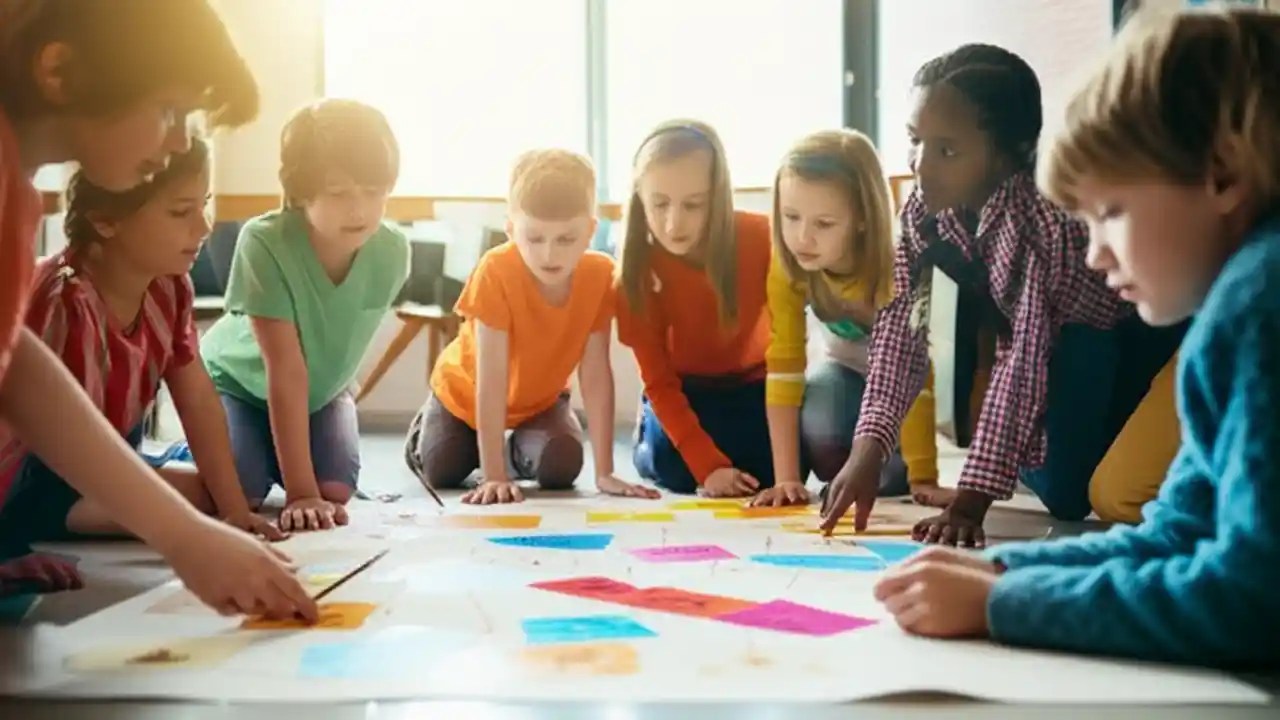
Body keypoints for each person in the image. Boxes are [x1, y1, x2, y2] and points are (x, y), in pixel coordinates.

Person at [874, 8, 1280, 667]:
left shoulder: (1259, 303)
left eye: (1110, 213)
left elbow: (1249, 599)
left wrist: (1000, 603)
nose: (1093, 255)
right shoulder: (1235, 307)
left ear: (1223, 176)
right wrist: (1001, 571)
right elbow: (1174, 535)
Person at [0, 0, 315, 620]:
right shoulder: (59, 278)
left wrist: (190, 533)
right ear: (59, 70)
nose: (180, 141)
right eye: (169, 110)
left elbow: (16, 368)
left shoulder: (17, 191)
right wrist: (185, 534)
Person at [820, 43, 1184, 545]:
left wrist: (969, 504)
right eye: (915, 140)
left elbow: (1024, 357)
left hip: (1129, 332)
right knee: (1039, 454)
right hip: (1061, 339)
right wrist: (867, 452)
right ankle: (1030, 446)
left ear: (1010, 156)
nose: (921, 166)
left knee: (1071, 495)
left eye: (947, 151)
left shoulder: (1041, 221)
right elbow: (901, 331)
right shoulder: (924, 211)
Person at [0, 138, 283, 547]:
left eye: (203, 205)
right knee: (178, 513)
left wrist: (234, 510)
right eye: (180, 212)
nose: (204, 227)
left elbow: (197, 399)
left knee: (229, 490)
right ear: (105, 221)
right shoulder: (65, 301)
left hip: (114, 457)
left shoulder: (170, 287)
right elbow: (32, 437)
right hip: (43, 474)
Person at [200, 99, 410, 532]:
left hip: (321, 393)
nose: (359, 210)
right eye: (338, 193)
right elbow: (285, 369)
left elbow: (339, 341)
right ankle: (206, 446)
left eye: (373, 192)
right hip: (238, 383)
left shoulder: (392, 251)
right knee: (243, 492)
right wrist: (299, 492)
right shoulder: (264, 242)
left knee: (334, 490)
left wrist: (314, 489)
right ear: (300, 192)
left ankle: (267, 451)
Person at [405, 149, 658, 504]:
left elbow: (596, 374)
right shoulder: (496, 271)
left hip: (540, 403)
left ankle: (512, 454)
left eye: (566, 239)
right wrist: (493, 477)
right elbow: (492, 379)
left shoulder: (600, 275)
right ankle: (432, 436)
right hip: (463, 396)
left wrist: (605, 472)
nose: (550, 255)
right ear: (511, 230)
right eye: (535, 239)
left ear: (590, 231)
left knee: (561, 464)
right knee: (442, 466)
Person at [753, 129, 942, 508]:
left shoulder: (895, 266)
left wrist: (924, 478)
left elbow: (915, 374)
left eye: (824, 224)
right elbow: (784, 367)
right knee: (819, 417)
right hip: (844, 377)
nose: (802, 238)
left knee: (889, 474)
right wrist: (786, 479)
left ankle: (889, 470)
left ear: (862, 219)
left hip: (900, 392)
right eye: (791, 217)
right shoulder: (790, 266)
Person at [616, 120, 774, 498]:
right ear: (640, 198)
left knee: (771, 469)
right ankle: (645, 437)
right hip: (684, 389)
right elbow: (660, 383)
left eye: (693, 205)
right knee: (676, 469)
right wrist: (708, 468)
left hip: (752, 384)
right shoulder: (634, 276)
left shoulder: (762, 238)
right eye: (659, 204)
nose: (674, 223)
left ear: (716, 199)